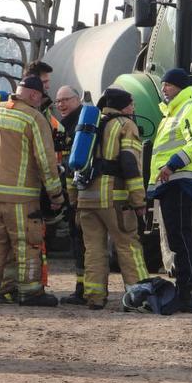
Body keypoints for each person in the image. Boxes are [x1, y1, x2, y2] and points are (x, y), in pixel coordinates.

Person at [0, 75, 64, 307]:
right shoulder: (33, 118)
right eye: (40, 97)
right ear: (34, 95)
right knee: (27, 244)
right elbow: (46, 161)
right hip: (22, 199)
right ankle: (31, 292)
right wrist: (56, 195)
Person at [75, 87, 149, 309]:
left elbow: (77, 165)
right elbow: (129, 164)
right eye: (132, 104)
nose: (134, 108)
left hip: (86, 198)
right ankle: (139, 297)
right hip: (113, 198)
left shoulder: (90, 124)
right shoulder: (126, 125)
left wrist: (74, 198)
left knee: (94, 249)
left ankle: (95, 297)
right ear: (125, 106)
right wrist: (139, 201)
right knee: (128, 245)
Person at [148, 67, 192, 312]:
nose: (163, 89)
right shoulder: (170, 114)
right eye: (163, 85)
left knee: (181, 238)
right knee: (178, 238)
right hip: (169, 183)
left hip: (179, 180)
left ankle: (188, 292)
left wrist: (172, 165)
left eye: (168, 85)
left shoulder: (190, 108)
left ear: (180, 87)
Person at [54, 85, 88, 305]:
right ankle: (82, 287)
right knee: (79, 242)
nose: (62, 105)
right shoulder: (64, 125)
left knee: (82, 242)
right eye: (59, 101)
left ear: (78, 99)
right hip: (73, 195)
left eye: (66, 99)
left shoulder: (80, 126)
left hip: (79, 196)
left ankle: (83, 289)